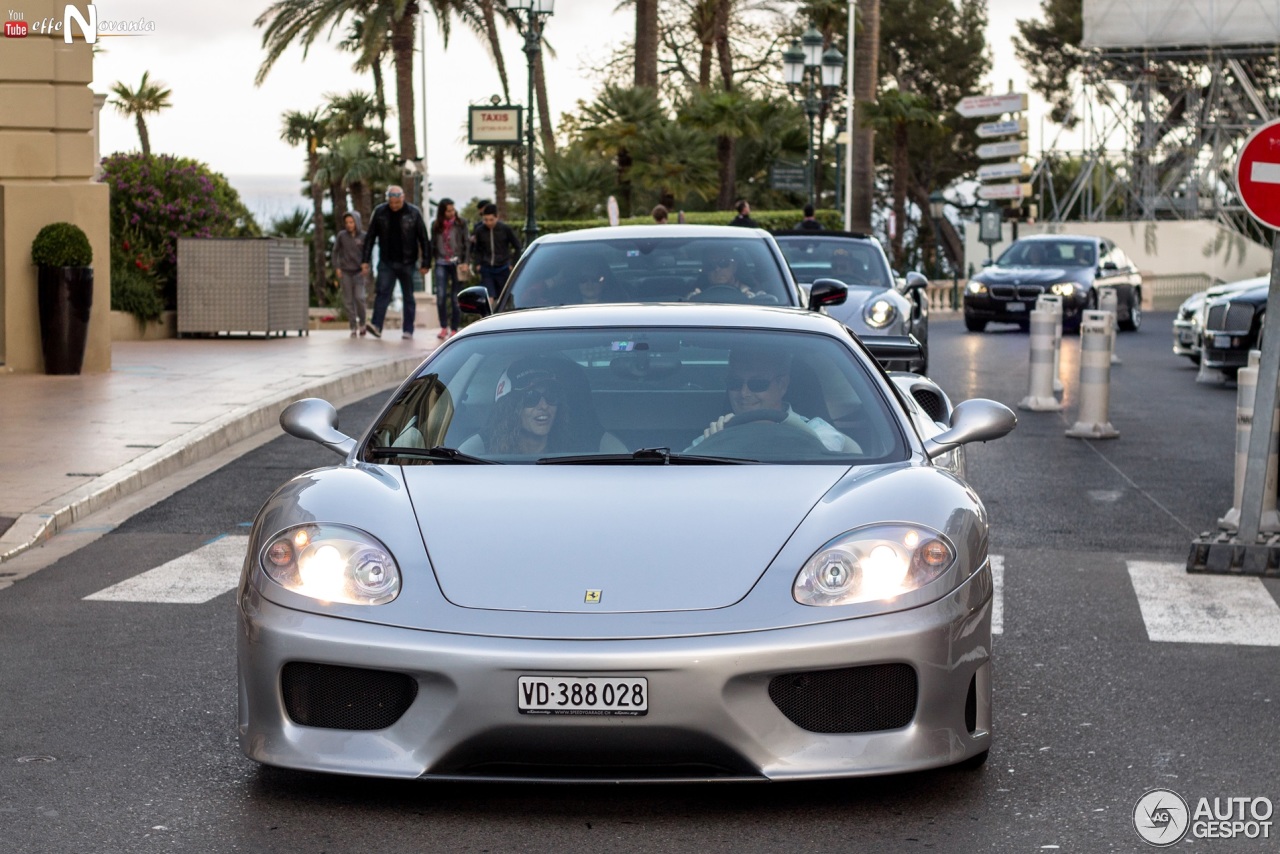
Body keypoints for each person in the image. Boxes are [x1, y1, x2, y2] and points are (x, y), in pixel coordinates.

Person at [687, 348, 860, 453]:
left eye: (757, 384)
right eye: (735, 383)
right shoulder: (714, 435)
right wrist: (715, 445)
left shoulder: (819, 432)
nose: (744, 393)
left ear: (782, 385)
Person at [459, 357, 628, 456]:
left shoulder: (577, 456)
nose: (544, 405)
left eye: (551, 396)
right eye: (531, 397)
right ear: (510, 408)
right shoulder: (480, 459)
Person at [361, 185, 431, 339]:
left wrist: (426, 262)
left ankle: (408, 330)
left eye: (397, 203)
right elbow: (370, 237)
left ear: (403, 198)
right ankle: (377, 325)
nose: (394, 206)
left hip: (407, 262)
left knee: (408, 297)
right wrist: (365, 260)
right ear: (388, 200)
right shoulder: (380, 212)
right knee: (382, 293)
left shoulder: (414, 213)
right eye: (391, 203)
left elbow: (424, 239)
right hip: (386, 261)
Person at [430, 198, 470, 339]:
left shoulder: (461, 223)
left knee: (455, 297)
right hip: (441, 262)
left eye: (453, 209)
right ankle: (443, 326)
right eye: (448, 210)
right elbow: (432, 244)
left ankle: (454, 328)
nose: (452, 212)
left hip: (457, 263)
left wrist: (466, 261)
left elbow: (467, 242)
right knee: (440, 296)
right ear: (442, 211)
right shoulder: (436, 225)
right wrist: (429, 261)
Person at [471, 203, 523, 300]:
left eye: (491, 220)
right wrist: (478, 264)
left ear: (496, 217)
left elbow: (517, 246)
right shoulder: (480, 230)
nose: (488, 223)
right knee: (488, 296)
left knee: (503, 297)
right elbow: (477, 249)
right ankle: (489, 314)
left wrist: (512, 264)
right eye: (486, 220)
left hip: (503, 267)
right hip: (486, 268)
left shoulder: (505, 229)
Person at [331, 211, 367, 337]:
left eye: (351, 222)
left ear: (356, 222)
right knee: (348, 300)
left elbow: (367, 253)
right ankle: (353, 325)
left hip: (359, 273)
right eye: (347, 223)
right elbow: (335, 252)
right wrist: (337, 267)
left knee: (359, 298)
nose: (349, 225)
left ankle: (362, 323)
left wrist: (366, 266)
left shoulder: (363, 236)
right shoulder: (341, 236)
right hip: (345, 272)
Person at [687, 248, 762, 301]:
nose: (717, 269)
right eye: (710, 265)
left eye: (723, 263)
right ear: (705, 270)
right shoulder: (693, 297)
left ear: (734, 266)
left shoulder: (755, 295)